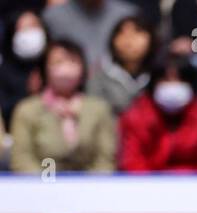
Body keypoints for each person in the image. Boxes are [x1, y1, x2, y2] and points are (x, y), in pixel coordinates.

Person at [8, 38, 117, 172]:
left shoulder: (99, 109)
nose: (65, 68)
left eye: (72, 61)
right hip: (40, 187)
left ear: (83, 68)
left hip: (91, 188)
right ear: (45, 68)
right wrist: (47, 186)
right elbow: (21, 159)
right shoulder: (27, 109)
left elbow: (105, 159)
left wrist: (89, 188)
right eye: (58, 62)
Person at [117, 51, 197, 171]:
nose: (172, 86)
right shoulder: (136, 115)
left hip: (196, 185)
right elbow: (131, 162)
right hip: (148, 185)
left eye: (179, 79)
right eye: (166, 79)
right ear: (154, 83)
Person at [86, 14, 155, 115]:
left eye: (137, 31)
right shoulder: (99, 79)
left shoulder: (160, 75)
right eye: (122, 33)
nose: (129, 40)